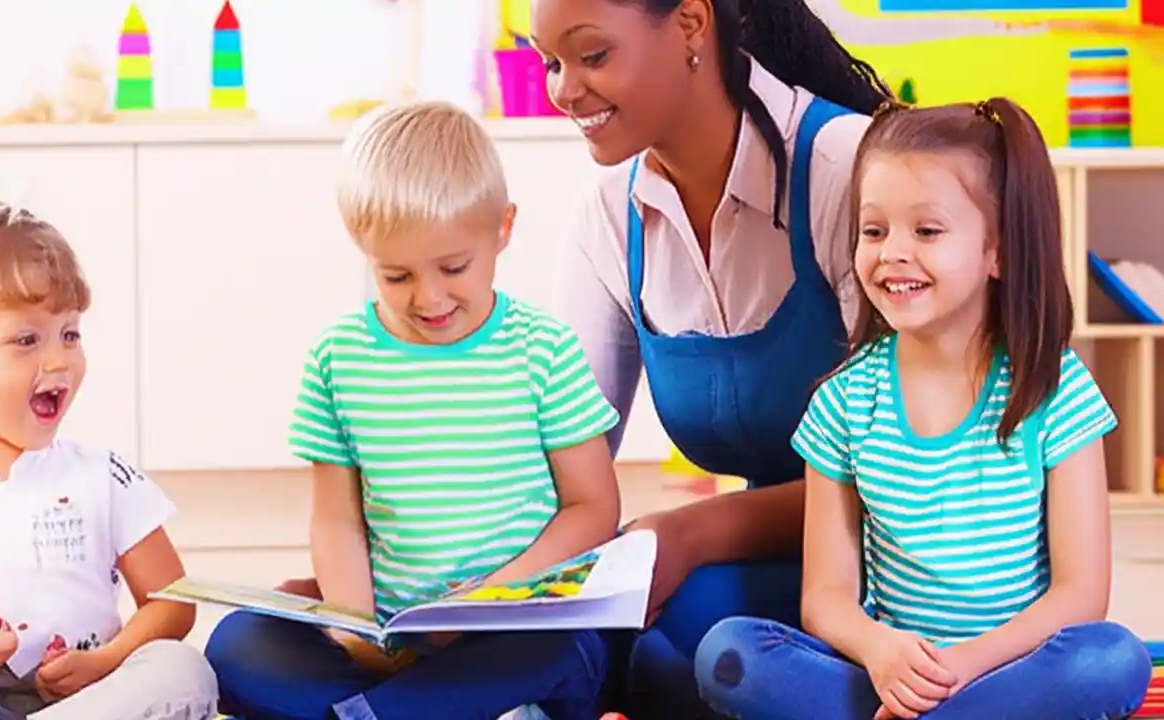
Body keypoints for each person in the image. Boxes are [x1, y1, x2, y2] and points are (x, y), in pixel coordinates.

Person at [693, 97, 1155, 719]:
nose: (892, 253)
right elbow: (826, 598)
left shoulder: (1054, 388)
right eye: (874, 230)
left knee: (1111, 660)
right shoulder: (843, 401)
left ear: (1000, 251)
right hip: (887, 679)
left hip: (1006, 670)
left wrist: (958, 671)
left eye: (928, 231)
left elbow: (1079, 596)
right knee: (729, 654)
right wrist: (882, 653)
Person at [203, 100, 625, 720]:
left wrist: (496, 592)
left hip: (509, 630)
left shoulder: (544, 348)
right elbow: (337, 522)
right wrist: (354, 629)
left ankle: (372, 713)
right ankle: (404, 707)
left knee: (562, 648)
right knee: (237, 642)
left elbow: (593, 507)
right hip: (391, 646)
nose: (429, 298)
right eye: (395, 275)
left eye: (454, 267)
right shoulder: (338, 358)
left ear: (503, 229)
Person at [529, 0, 892, 713]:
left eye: (592, 56)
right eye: (550, 62)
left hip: (892, 559)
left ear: (691, 25)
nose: (564, 90)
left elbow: (900, 470)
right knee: (573, 634)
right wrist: (412, 576)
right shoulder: (607, 213)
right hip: (753, 556)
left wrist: (689, 533)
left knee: (675, 647)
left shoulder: (848, 170)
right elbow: (562, 464)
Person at [0, 198, 219, 719]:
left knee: (181, 669)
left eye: (69, 333)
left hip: (87, 699)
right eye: (26, 339)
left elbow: (172, 603)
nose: (60, 359)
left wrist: (105, 661)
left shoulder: (102, 475)